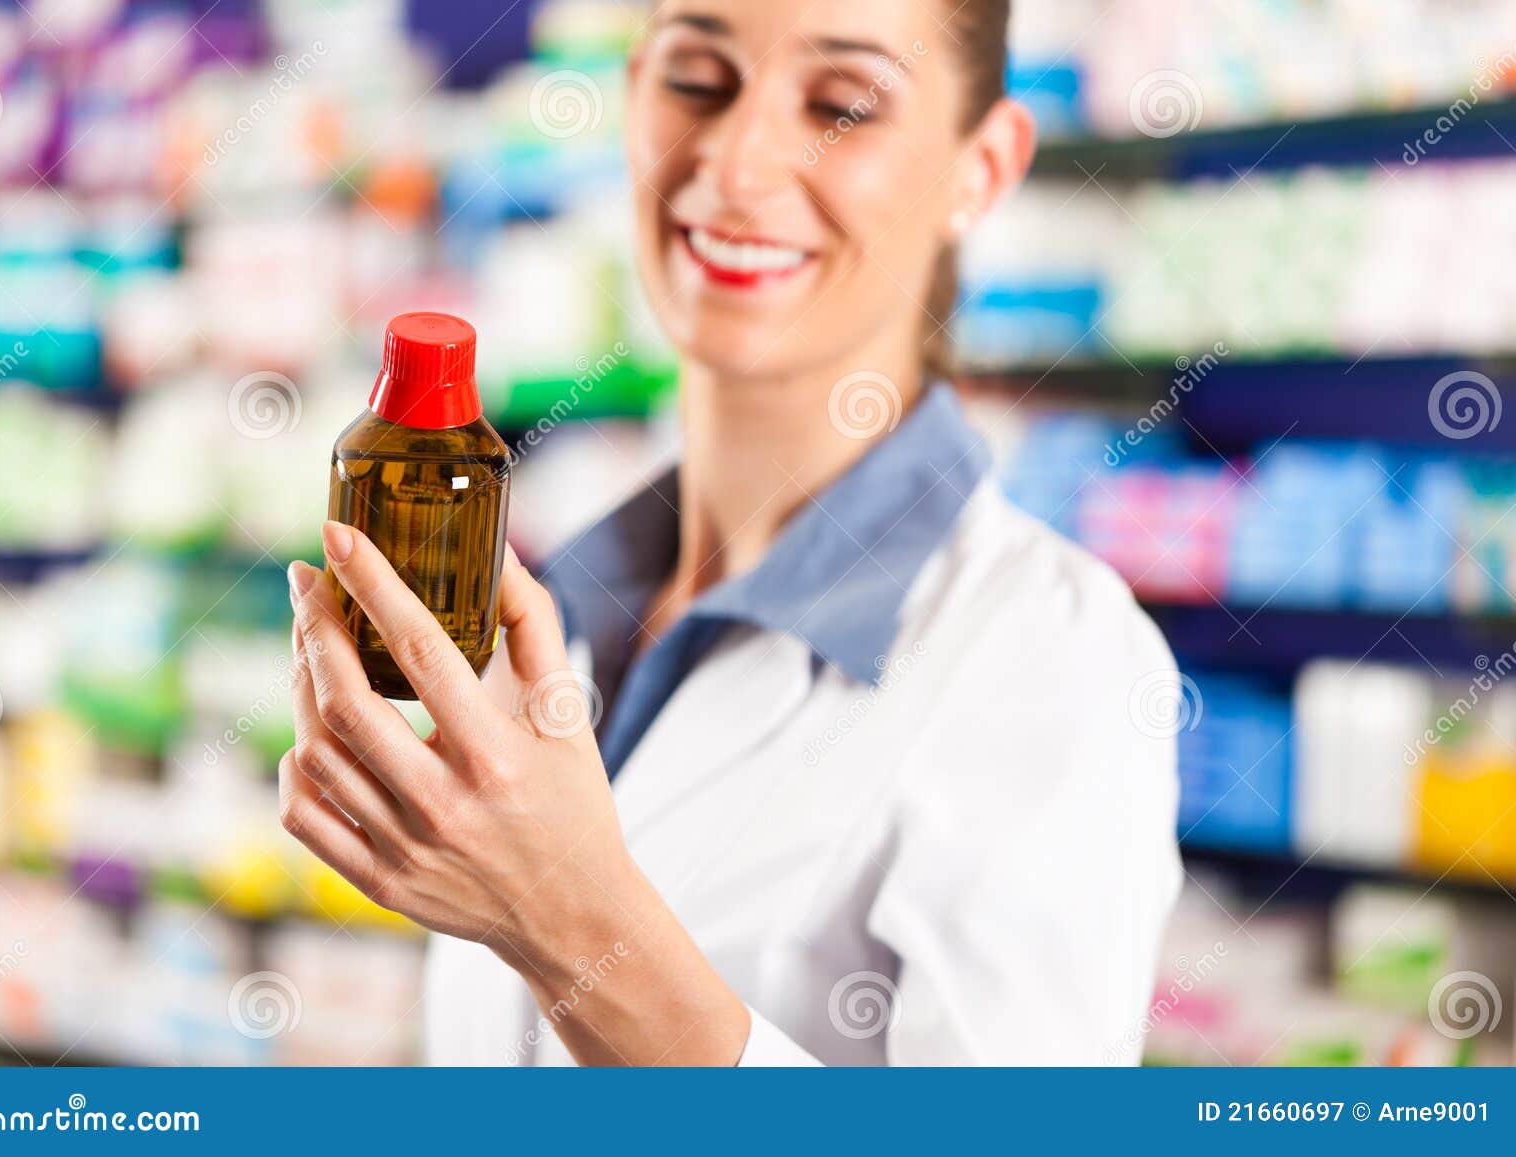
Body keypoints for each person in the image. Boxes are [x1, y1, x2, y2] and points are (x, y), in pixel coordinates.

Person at [281, 0, 1181, 1066]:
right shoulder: (556, 600)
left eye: (841, 104)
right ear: (629, 101)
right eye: (697, 81)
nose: (741, 161)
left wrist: (575, 932)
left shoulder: (1050, 653)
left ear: (977, 168)